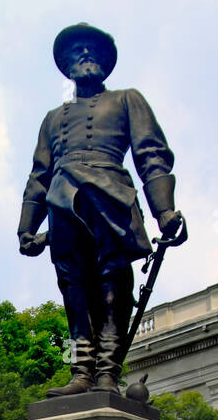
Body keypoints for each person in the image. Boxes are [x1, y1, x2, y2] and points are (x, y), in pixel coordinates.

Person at [18, 23, 183, 393]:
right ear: (66, 64)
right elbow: (39, 175)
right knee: (75, 294)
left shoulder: (127, 99)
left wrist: (165, 212)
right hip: (63, 206)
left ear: (106, 63)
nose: (86, 56)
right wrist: (26, 227)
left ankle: (107, 373)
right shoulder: (53, 118)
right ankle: (81, 374)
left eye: (93, 51)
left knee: (112, 289)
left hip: (112, 200)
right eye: (78, 51)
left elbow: (151, 157)